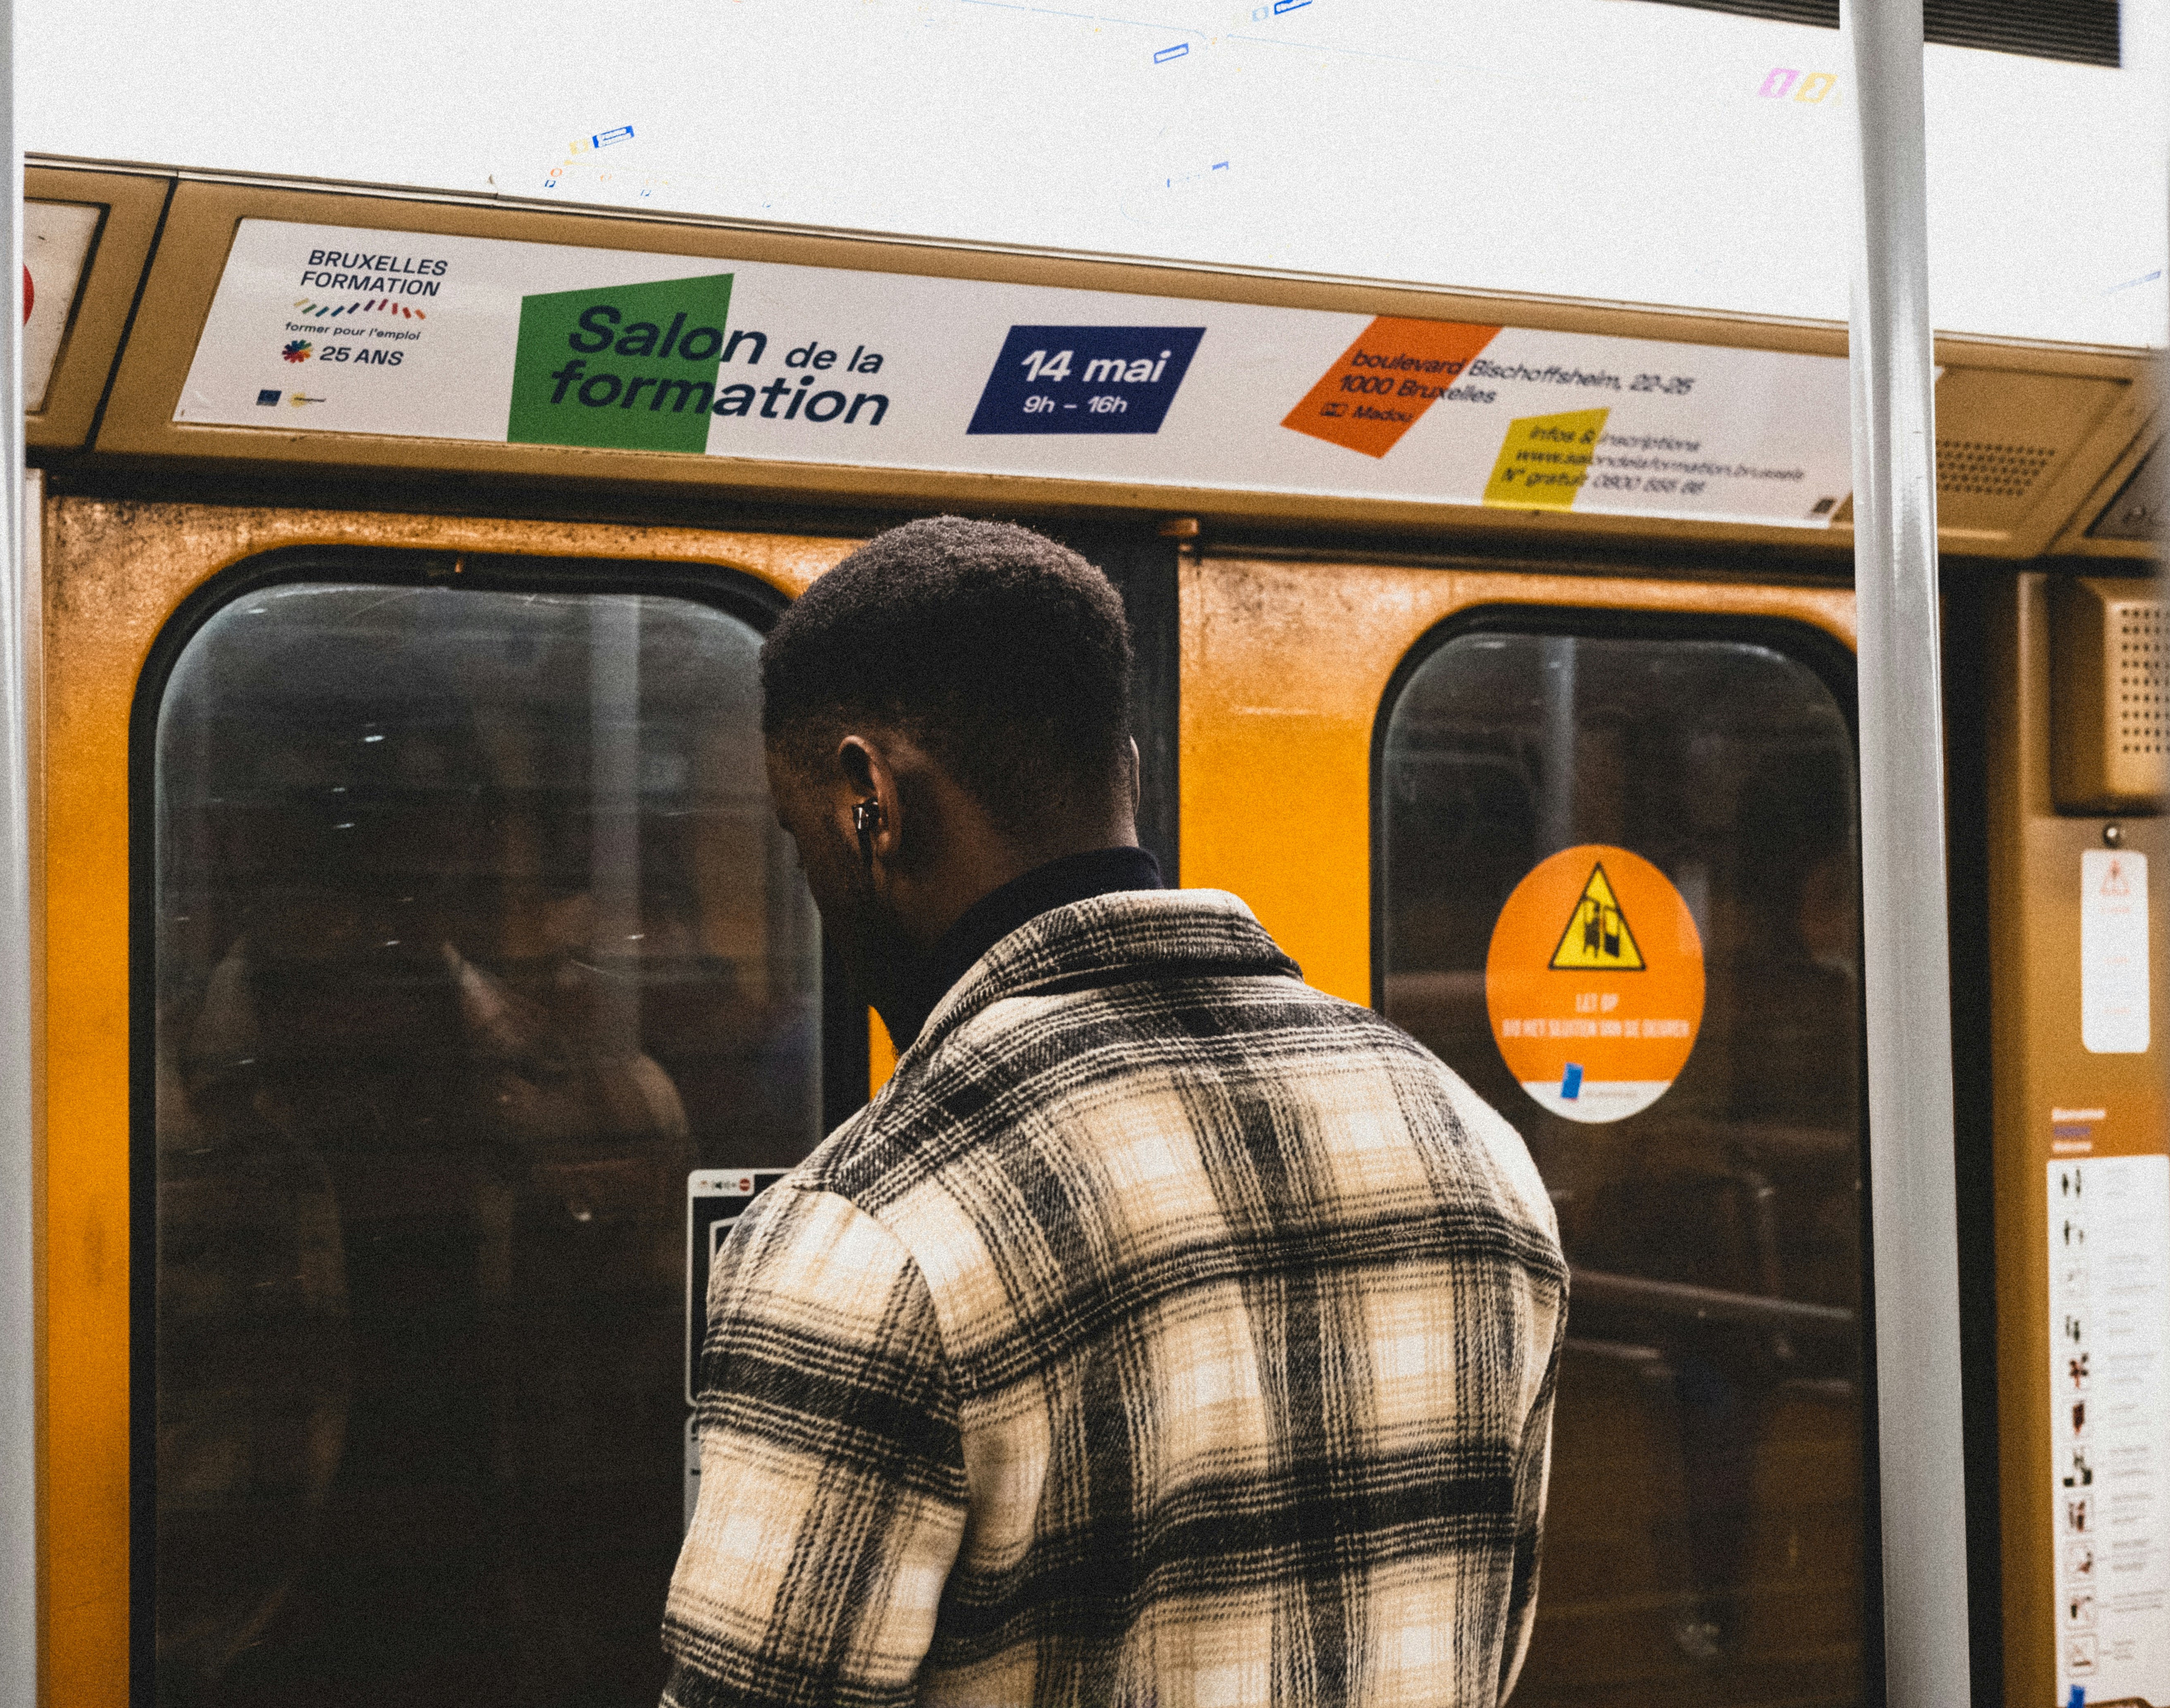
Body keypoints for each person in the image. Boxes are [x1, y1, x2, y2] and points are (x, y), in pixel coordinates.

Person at [663, 517, 1567, 1706]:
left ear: (868, 800)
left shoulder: (869, 1233)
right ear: (1126, 770)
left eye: (801, 841)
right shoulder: (1470, 1147)